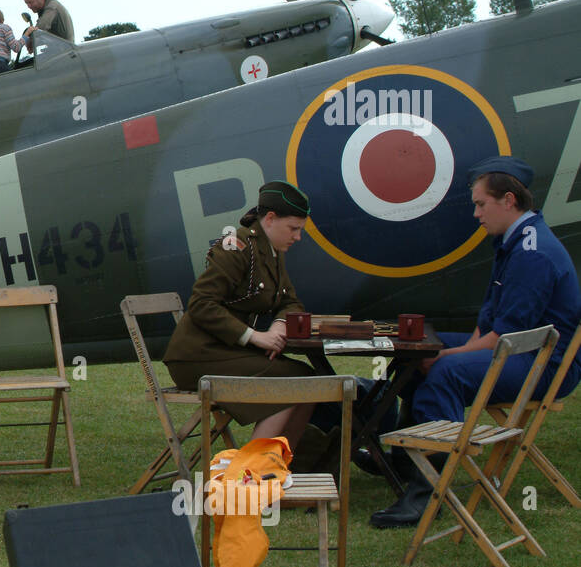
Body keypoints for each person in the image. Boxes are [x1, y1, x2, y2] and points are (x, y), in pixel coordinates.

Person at [371, 155, 581, 527]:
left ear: (508, 201)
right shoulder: (514, 240)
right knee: (414, 350)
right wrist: (440, 351)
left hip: (543, 365)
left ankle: (429, 491)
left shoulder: (532, 253)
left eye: (481, 204)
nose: (476, 214)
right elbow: (489, 326)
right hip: (518, 351)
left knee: (445, 370)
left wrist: (449, 356)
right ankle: (407, 460)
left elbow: (504, 339)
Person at [163, 180, 319, 451]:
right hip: (197, 356)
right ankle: (253, 471)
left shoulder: (271, 250)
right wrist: (255, 337)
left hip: (225, 351)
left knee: (309, 380)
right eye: (293, 229)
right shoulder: (236, 247)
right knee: (295, 384)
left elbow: (290, 301)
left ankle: (281, 465)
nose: (297, 237)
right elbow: (201, 303)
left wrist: (279, 327)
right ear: (270, 219)